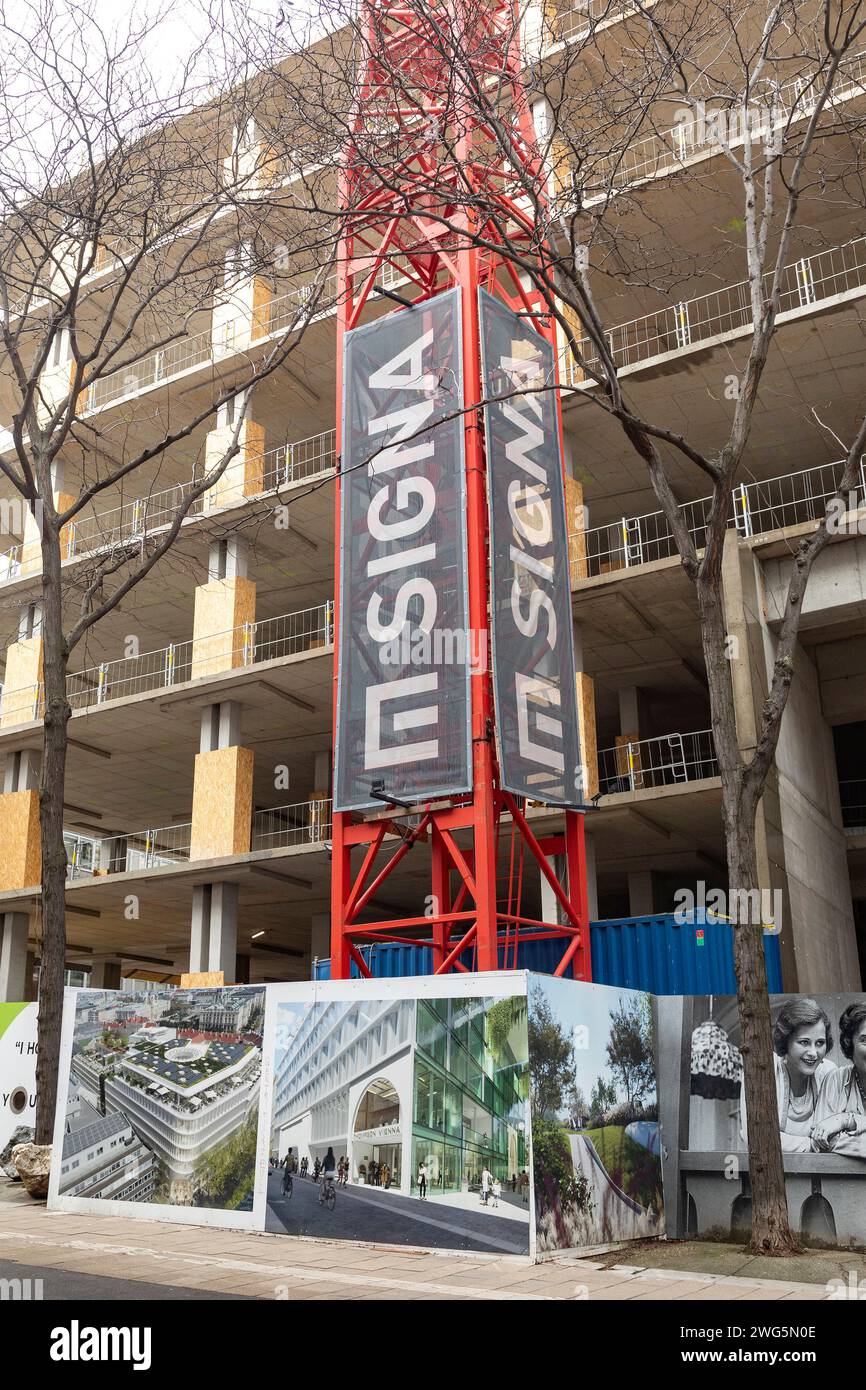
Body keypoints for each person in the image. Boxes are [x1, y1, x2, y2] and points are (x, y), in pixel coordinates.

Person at [739, 997, 835, 1152]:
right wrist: (812, 1145)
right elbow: (756, 1137)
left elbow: (835, 1137)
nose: (813, 1053)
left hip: (817, 1173)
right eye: (804, 1042)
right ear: (785, 1041)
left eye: (820, 1043)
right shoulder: (761, 1069)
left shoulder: (828, 1072)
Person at [811, 1002, 866, 1154]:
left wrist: (846, 1120)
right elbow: (820, 1143)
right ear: (849, 1042)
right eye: (864, 1040)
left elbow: (834, 1140)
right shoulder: (836, 1080)